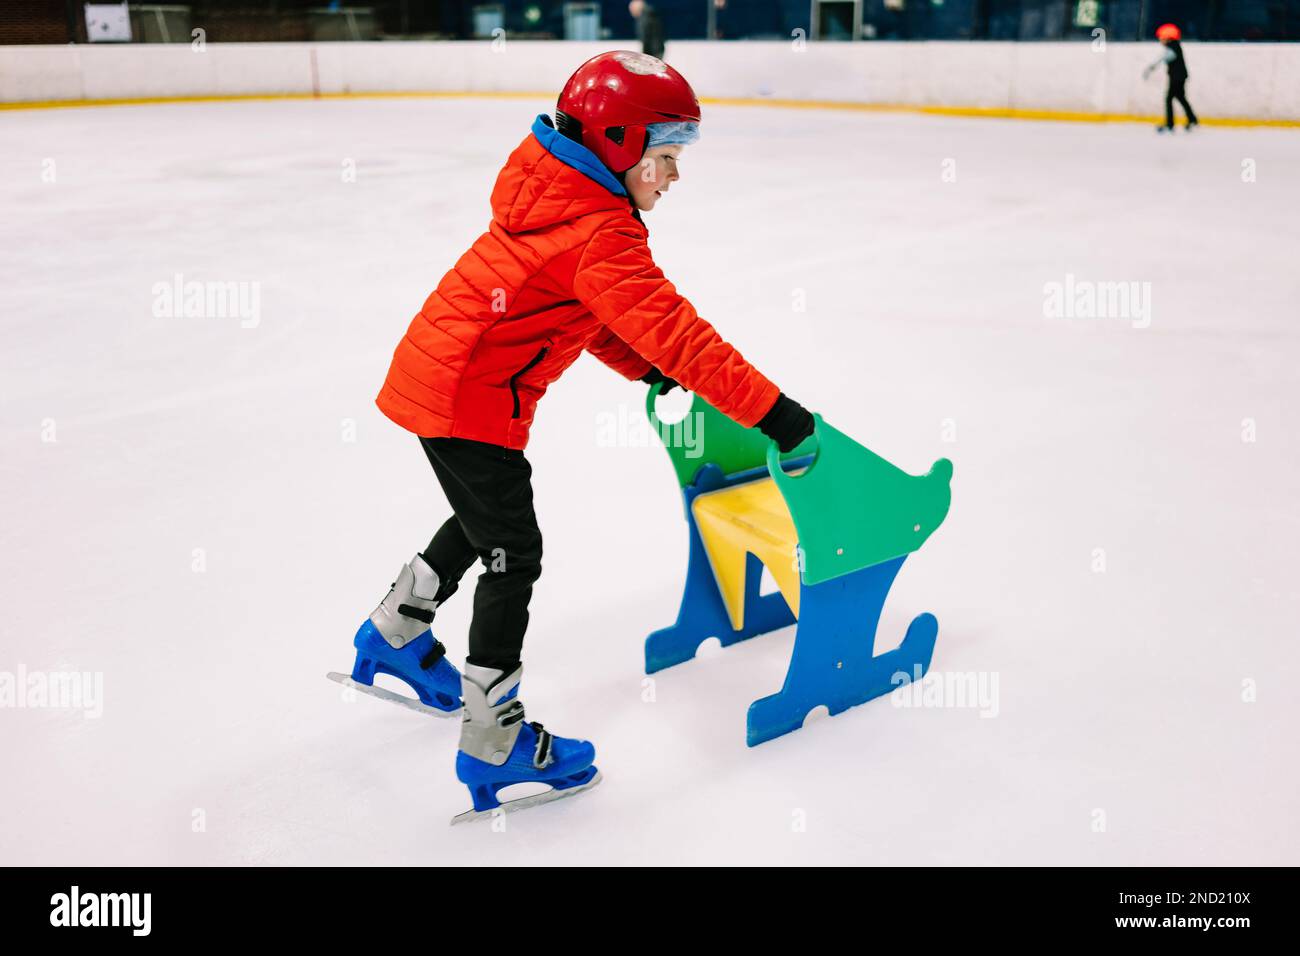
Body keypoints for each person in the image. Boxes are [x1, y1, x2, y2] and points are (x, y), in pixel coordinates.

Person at [345, 51, 815, 821]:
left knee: (484, 519)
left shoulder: (562, 193)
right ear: (620, 144)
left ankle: (393, 634)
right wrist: (777, 414)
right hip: (467, 395)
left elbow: (588, 316)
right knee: (513, 552)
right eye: (664, 159)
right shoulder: (598, 230)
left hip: (452, 380)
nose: (672, 177)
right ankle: (491, 740)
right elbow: (683, 337)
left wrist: (647, 372)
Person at [1143, 22, 1198, 133]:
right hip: (1180, 77)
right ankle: (1192, 119)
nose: (1161, 40)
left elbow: (1165, 57)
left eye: (1162, 38)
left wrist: (1151, 67)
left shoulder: (1173, 47)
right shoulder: (1175, 46)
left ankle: (1170, 124)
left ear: (1168, 38)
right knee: (1181, 98)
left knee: (1169, 99)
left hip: (1176, 78)